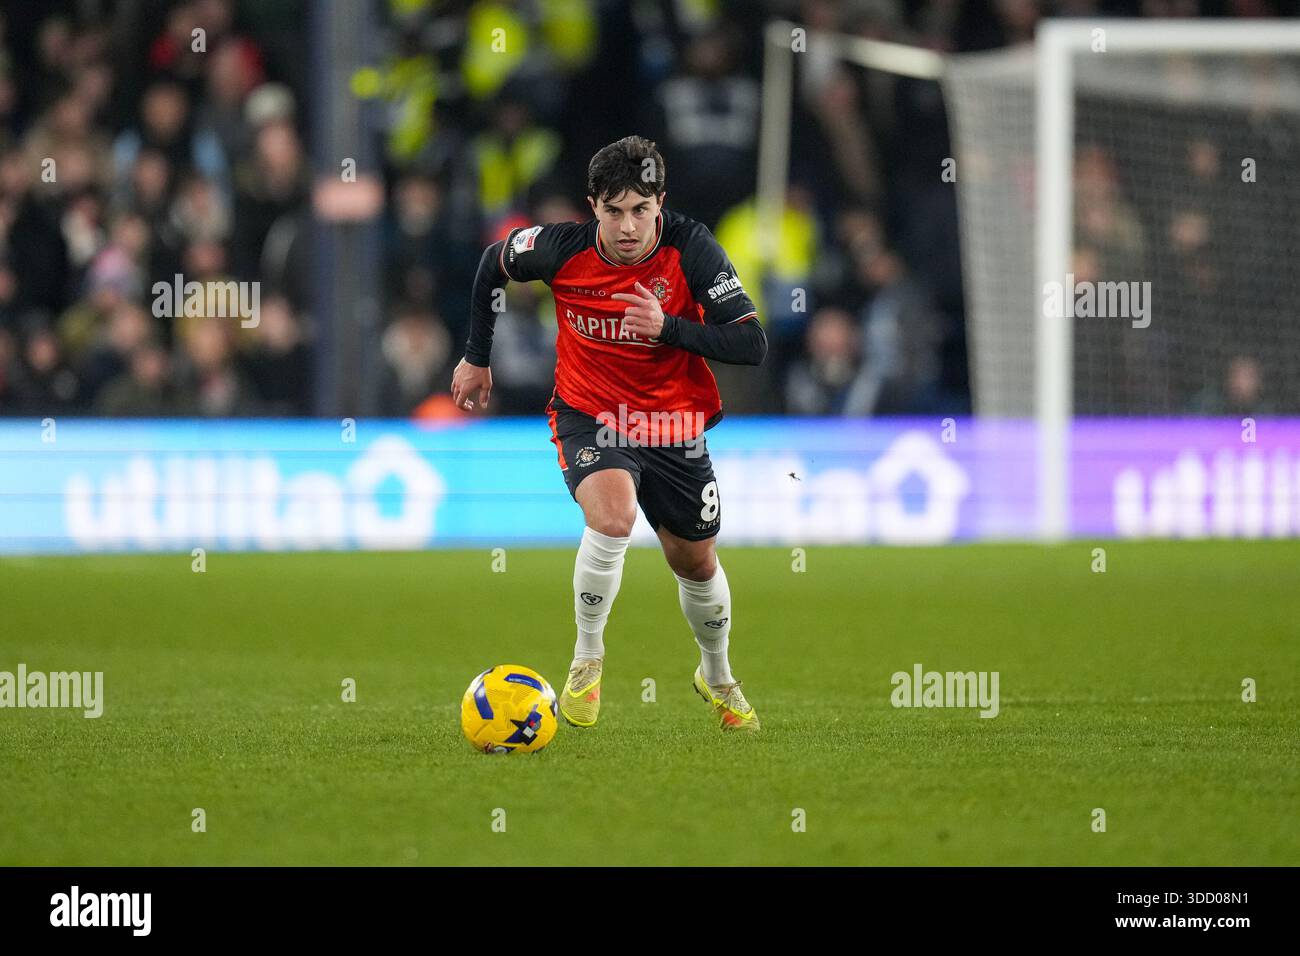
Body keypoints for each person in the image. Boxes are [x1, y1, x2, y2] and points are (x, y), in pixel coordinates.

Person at [451, 135, 767, 732]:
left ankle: (717, 674)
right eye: (615, 210)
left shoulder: (692, 248)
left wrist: (669, 327)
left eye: (642, 210)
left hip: (674, 423)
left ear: (660, 203)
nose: (629, 227)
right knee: (613, 517)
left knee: (695, 562)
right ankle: (586, 659)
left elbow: (752, 343)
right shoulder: (558, 248)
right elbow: (494, 262)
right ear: (591, 205)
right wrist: (477, 358)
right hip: (590, 412)